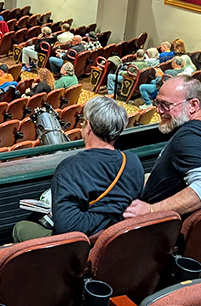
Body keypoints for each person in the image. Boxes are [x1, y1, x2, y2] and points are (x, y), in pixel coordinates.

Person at [13, 96, 143, 241]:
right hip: (119, 238)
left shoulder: (70, 168)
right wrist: (111, 214)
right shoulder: (132, 160)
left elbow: (67, 229)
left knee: (21, 228)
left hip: (82, 245)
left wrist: (101, 218)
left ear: (89, 127)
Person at [124, 76, 201, 219]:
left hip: (154, 229)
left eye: (165, 105)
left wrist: (151, 210)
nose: (158, 111)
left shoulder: (189, 136)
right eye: (157, 104)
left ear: (193, 105)